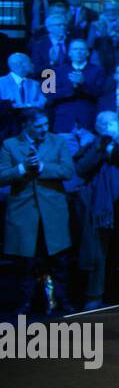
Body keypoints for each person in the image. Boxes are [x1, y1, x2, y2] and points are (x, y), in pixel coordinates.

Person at [0, 110, 74, 316]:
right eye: (40, 125)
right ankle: (24, 305)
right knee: (26, 263)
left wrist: (42, 167)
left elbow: (68, 171)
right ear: (27, 126)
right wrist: (22, 168)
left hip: (53, 212)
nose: (45, 129)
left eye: (46, 124)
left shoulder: (57, 142)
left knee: (59, 260)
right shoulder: (10, 145)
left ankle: (62, 301)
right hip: (24, 213)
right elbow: (2, 176)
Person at [74, 111, 119, 309]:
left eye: (110, 124)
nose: (106, 128)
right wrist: (99, 145)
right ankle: (94, 295)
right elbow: (81, 168)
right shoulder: (92, 146)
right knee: (97, 253)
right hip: (99, 211)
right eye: (101, 125)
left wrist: (118, 142)